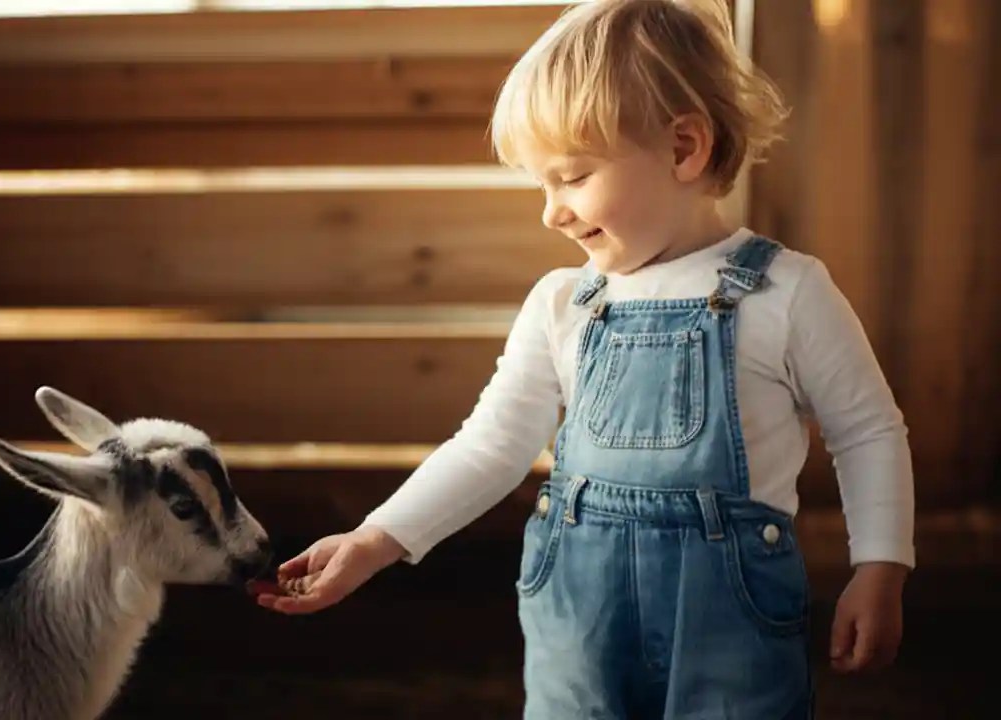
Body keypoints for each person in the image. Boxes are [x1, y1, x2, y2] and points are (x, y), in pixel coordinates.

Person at [253, 0, 914, 716]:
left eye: (570, 177)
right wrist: (375, 539)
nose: (551, 211)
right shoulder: (562, 304)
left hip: (728, 626)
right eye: (540, 184)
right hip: (579, 618)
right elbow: (491, 446)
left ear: (683, 149)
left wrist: (881, 567)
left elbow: (867, 431)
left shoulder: (786, 292)